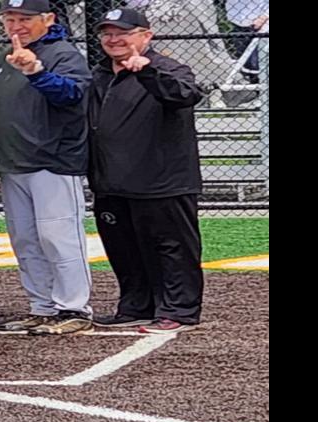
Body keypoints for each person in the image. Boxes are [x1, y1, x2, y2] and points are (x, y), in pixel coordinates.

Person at [88, 7, 207, 333]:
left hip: (163, 181)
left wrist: (148, 71)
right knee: (123, 248)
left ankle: (179, 310)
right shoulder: (100, 73)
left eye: (122, 32)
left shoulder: (168, 68)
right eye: (108, 33)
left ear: (146, 36)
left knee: (171, 248)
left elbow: (185, 95)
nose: (114, 39)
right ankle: (137, 305)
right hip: (111, 182)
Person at [0, 0, 95, 336]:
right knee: (25, 239)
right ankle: (42, 306)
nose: (17, 25)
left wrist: (36, 71)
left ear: (47, 19)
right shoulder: (0, 59)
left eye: (26, 18)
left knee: (58, 236)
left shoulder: (63, 53)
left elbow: (74, 95)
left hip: (53, 161)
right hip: (13, 163)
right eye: (10, 18)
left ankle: (74, 307)